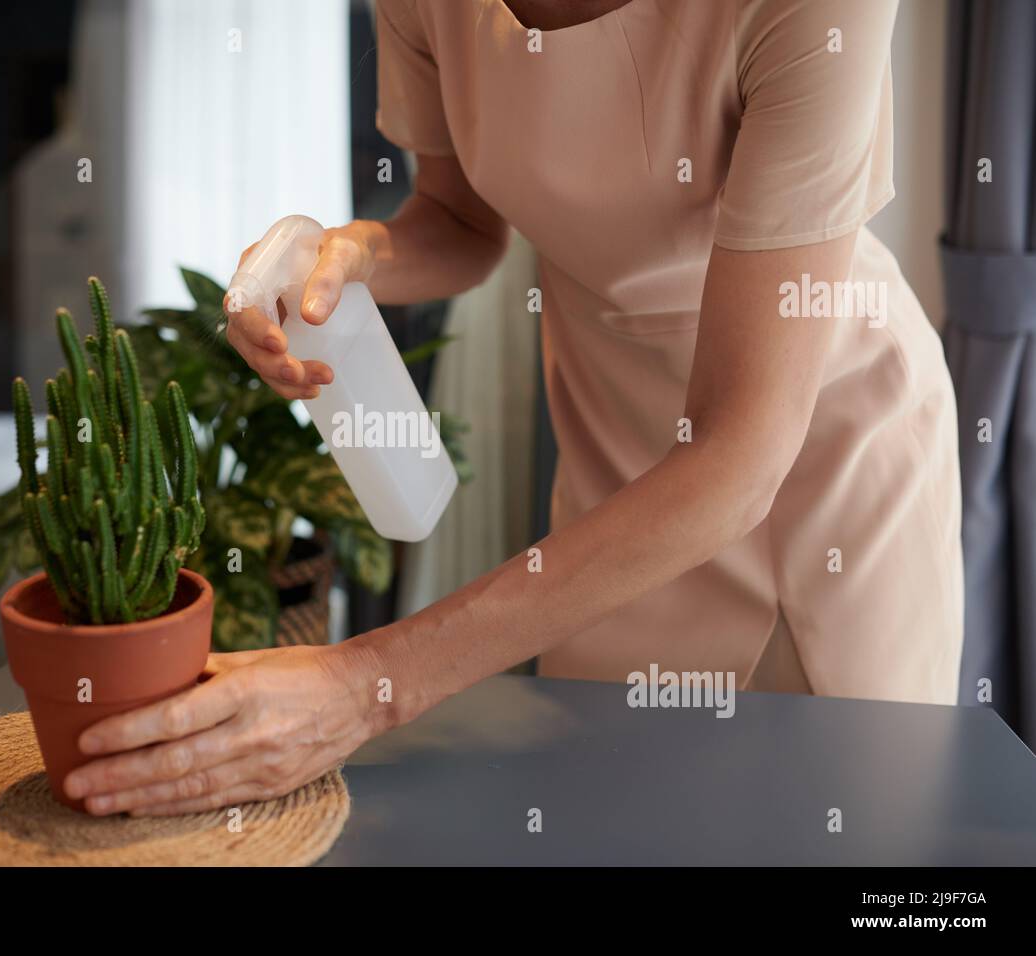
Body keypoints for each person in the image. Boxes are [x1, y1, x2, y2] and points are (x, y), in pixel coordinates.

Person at [62, 0, 962, 817]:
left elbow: (740, 455)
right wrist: (350, 256)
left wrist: (367, 683)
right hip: (619, 479)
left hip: (812, 461)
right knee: (617, 820)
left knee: (823, 829)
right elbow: (458, 221)